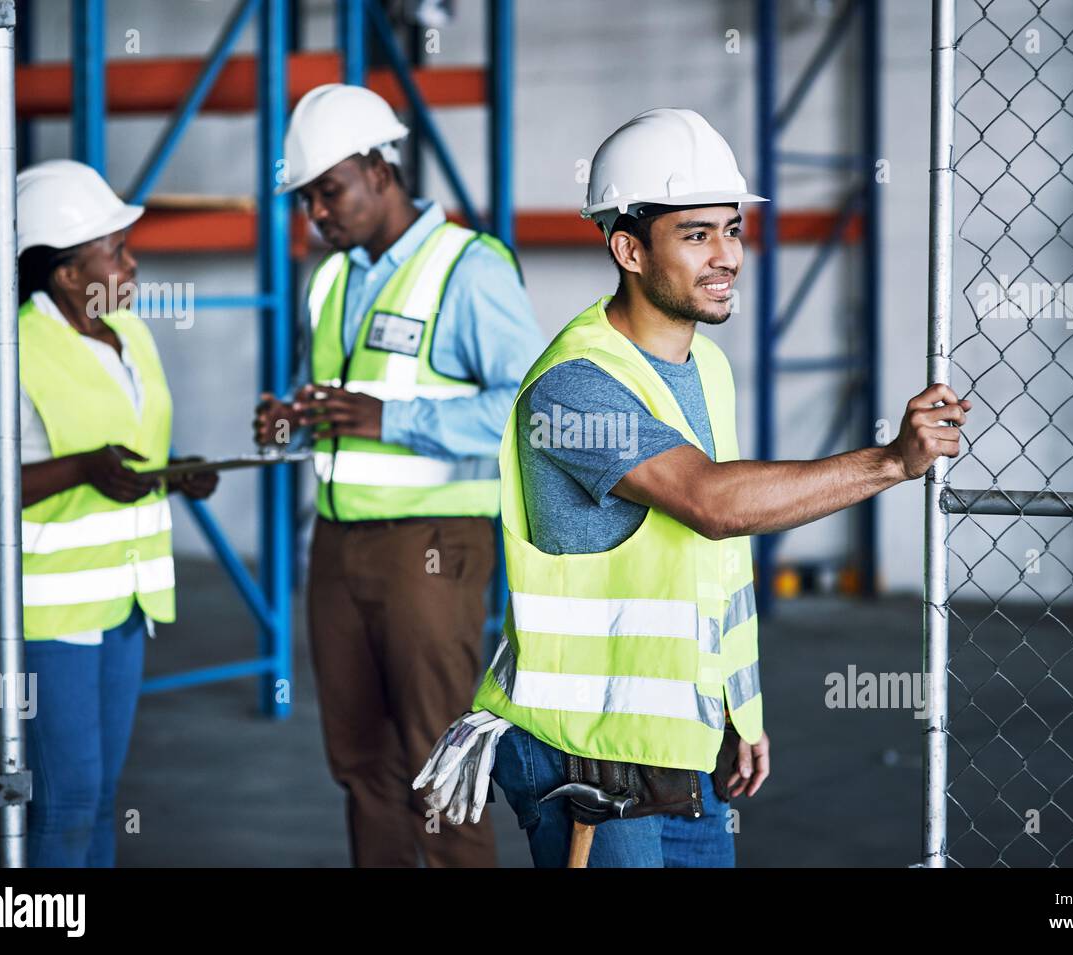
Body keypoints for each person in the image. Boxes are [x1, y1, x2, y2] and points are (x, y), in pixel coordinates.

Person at [415, 108, 971, 868]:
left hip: (683, 748)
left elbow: (714, 569)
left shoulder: (706, 368)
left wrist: (739, 710)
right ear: (629, 249)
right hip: (589, 766)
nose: (728, 256)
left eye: (733, 230)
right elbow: (713, 504)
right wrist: (890, 462)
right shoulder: (573, 387)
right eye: (696, 234)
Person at [252, 84, 543, 867]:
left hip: (433, 547)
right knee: (359, 766)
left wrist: (391, 419)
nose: (317, 211)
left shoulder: (470, 268)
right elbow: (331, 408)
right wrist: (289, 425)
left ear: (380, 170)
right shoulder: (332, 279)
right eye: (308, 197)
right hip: (338, 546)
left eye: (329, 190)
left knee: (436, 767)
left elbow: (523, 409)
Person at [0, 159, 219, 867]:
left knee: (97, 797)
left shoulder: (129, 334)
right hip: (42, 615)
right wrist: (82, 467)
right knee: (66, 802)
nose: (132, 264)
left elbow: (129, 442)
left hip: (122, 602)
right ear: (66, 273)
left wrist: (173, 471)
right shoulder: (0, 359)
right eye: (115, 251)